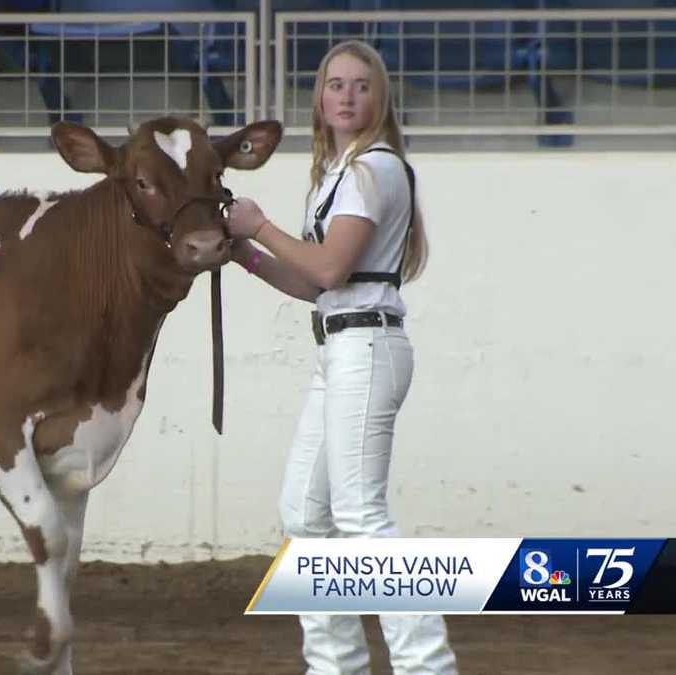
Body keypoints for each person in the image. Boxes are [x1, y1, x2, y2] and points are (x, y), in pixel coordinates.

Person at [225, 40, 459, 675]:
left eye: (360, 85)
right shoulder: (337, 173)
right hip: (342, 342)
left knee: (360, 515)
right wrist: (243, 254)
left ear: (379, 97)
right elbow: (312, 284)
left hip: (366, 344)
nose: (347, 96)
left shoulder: (370, 170)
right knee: (305, 511)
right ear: (320, 97)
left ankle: (427, 667)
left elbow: (327, 265)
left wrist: (259, 226)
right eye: (335, 84)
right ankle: (335, 665)